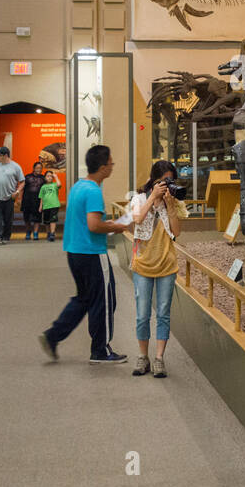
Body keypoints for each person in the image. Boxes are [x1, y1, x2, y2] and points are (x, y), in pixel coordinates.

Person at [38, 144, 129, 364]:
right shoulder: (94, 191)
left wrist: (104, 223)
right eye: (111, 163)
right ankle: (100, 350)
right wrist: (117, 227)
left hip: (74, 252)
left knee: (84, 298)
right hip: (92, 253)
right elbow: (93, 226)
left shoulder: (78, 186)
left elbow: (85, 221)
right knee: (105, 300)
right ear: (103, 167)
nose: (112, 167)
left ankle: (53, 336)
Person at [127, 160, 188, 378]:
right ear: (154, 180)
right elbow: (137, 219)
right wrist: (153, 196)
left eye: (171, 180)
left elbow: (177, 232)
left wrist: (170, 204)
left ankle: (159, 358)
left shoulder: (173, 202)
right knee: (142, 315)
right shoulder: (140, 198)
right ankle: (143, 356)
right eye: (164, 181)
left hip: (167, 264)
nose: (167, 185)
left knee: (163, 314)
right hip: (143, 264)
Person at [0, 146, 24, 245]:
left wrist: (17, 192)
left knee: (8, 219)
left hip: (8, 197)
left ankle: (6, 236)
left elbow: (22, 182)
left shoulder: (15, 166)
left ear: (6, 155)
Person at [22, 161, 47, 240]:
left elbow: (46, 190)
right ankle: (28, 231)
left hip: (38, 200)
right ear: (33, 168)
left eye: (40, 168)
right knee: (26, 218)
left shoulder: (43, 178)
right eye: (37, 168)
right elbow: (22, 187)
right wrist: (18, 198)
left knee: (37, 218)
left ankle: (36, 233)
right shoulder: (27, 177)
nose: (39, 169)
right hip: (27, 200)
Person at [39, 170, 62, 243]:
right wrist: (40, 206)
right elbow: (41, 197)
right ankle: (48, 233)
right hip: (46, 206)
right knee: (46, 221)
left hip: (54, 205)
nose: (49, 177)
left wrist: (56, 177)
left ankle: (52, 233)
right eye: (48, 176)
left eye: (51, 176)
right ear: (45, 178)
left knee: (53, 220)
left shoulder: (55, 185)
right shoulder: (43, 187)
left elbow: (59, 184)